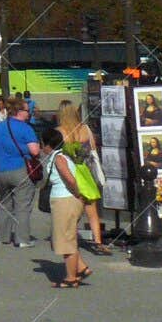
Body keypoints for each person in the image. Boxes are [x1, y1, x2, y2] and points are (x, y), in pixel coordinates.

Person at [0, 96, 41, 248]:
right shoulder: (26, 128)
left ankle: (2, 237)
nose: (29, 114)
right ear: (19, 112)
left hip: (1, 170)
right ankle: (22, 239)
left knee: (4, 203)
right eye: (27, 111)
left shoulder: (1, 126)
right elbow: (35, 151)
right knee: (22, 205)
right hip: (20, 169)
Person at [55, 101, 108, 255]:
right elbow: (93, 148)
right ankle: (98, 242)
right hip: (86, 171)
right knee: (92, 211)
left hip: (70, 172)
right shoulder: (85, 129)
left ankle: (71, 241)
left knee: (73, 209)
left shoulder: (60, 131)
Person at [44, 129, 91, 289]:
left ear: (47, 145)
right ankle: (81, 267)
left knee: (66, 240)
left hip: (65, 200)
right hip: (65, 201)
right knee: (65, 236)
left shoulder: (58, 158)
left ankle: (71, 278)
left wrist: (77, 193)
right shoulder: (62, 155)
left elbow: (69, 179)